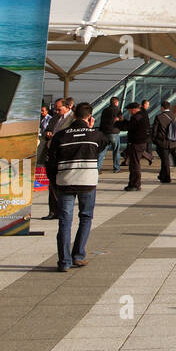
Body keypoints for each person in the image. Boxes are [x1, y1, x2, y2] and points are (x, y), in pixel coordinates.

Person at [47, 102, 110, 271]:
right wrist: (90, 128)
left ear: (73, 115)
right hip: (87, 183)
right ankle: (78, 255)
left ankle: (64, 262)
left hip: (65, 182)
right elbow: (103, 145)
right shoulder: (96, 135)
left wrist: (54, 182)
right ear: (89, 117)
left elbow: (51, 162)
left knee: (64, 222)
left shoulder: (60, 136)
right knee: (86, 217)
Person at [123, 101, 151, 191]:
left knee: (134, 164)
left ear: (134, 110)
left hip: (136, 143)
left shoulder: (136, 117)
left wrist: (120, 122)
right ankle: (133, 183)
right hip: (141, 143)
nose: (129, 112)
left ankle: (135, 184)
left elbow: (128, 127)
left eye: (130, 110)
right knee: (134, 163)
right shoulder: (143, 116)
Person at [152, 100, 176, 183]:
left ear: (162, 107)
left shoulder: (159, 117)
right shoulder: (174, 116)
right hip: (172, 141)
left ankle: (167, 177)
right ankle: (162, 175)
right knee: (165, 159)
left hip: (162, 142)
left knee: (165, 160)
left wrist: (154, 139)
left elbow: (155, 130)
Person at [97, 97, 123, 173]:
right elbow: (121, 120)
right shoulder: (118, 110)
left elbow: (101, 121)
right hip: (114, 133)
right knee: (116, 151)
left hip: (105, 132)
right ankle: (116, 168)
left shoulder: (105, 110)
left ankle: (98, 167)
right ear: (116, 103)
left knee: (102, 151)